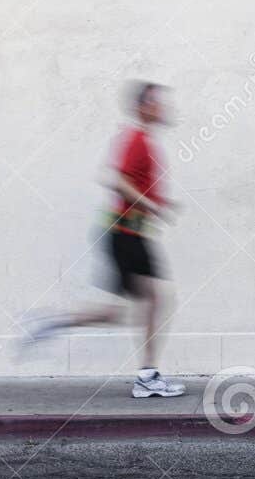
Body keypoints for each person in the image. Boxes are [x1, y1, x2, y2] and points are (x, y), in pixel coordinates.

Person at [20, 81, 186, 397]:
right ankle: (147, 377)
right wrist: (152, 205)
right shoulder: (137, 139)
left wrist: (159, 205)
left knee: (129, 309)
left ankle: (52, 323)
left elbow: (129, 183)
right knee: (152, 302)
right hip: (126, 233)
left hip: (128, 232)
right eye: (156, 102)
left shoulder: (143, 140)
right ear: (143, 107)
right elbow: (115, 180)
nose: (163, 107)